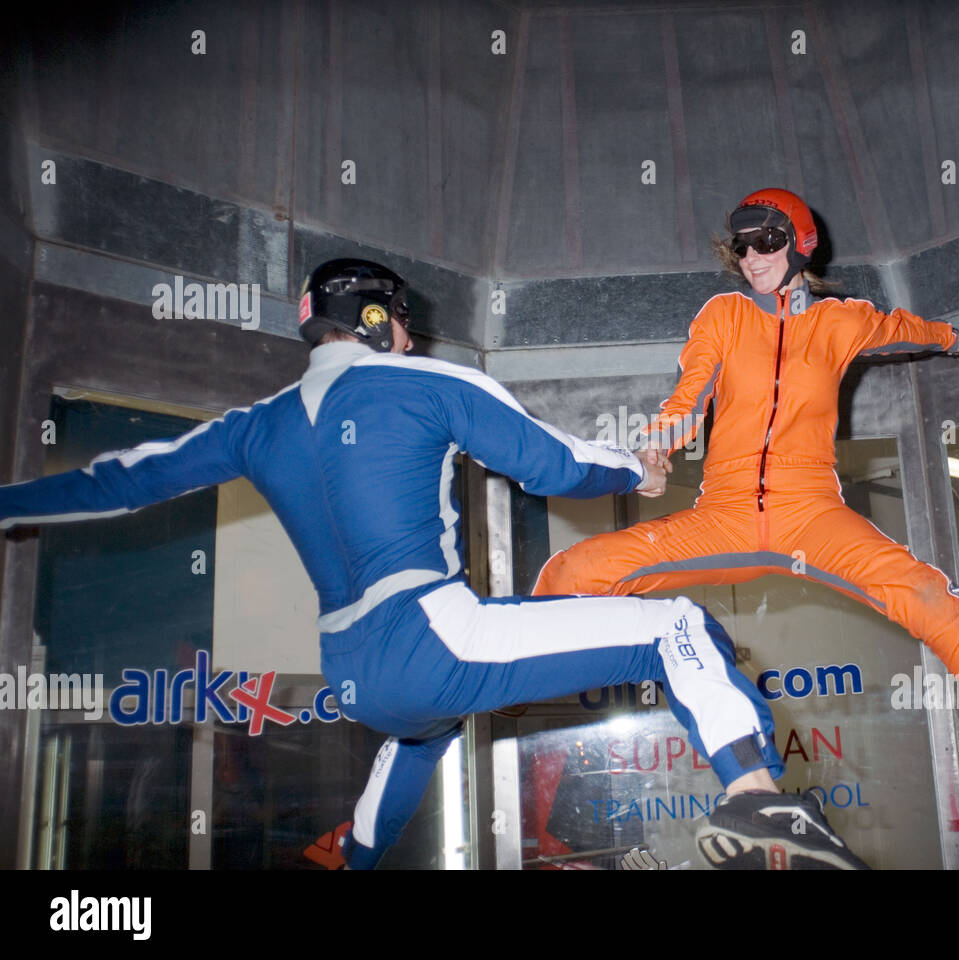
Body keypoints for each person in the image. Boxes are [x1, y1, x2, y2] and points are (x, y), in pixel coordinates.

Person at [0, 258, 870, 870]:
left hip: (355, 674)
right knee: (677, 624)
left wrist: (9, 505)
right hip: (431, 634)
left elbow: (124, 482)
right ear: (376, 320)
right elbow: (551, 465)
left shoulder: (253, 424)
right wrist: (633, 471)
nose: (412, 337)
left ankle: (358, 857)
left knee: (423, 730)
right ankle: (753, 791)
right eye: (403, 321)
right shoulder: (426, 385)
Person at [533, 189, 959, 844]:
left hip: (813, 517)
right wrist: (658, 442)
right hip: (725, 517)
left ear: (801, 244)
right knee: (576, 566)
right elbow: (690, 391)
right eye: (742, 246)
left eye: (767, 242)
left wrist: (950, 339)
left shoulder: (842, 321)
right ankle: (519, 669)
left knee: (927, 595)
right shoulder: (723, 315)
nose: (752, 258)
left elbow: (901, 329)